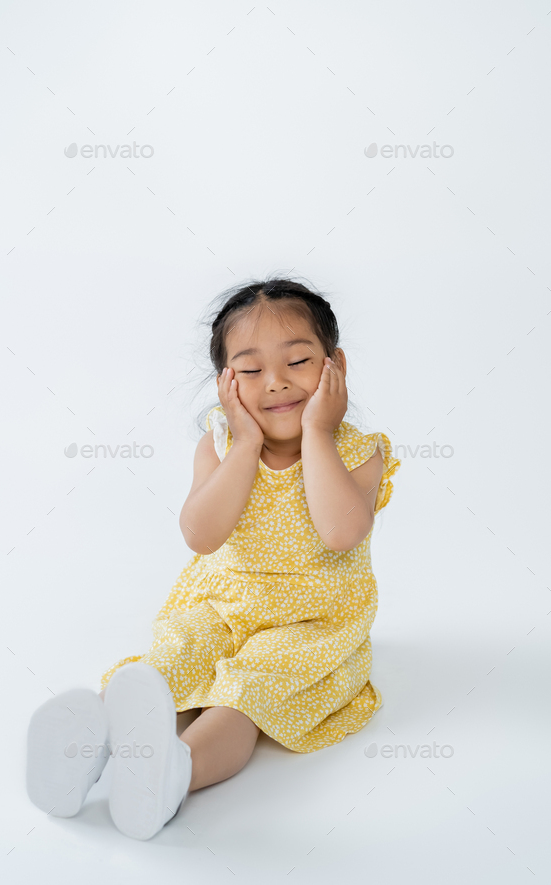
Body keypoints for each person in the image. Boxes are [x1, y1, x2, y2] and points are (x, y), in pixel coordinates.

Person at [26, 277, 401, 841]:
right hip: (222, 606)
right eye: (250, 370)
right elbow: (200, 535)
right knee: (167, 667)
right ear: (226, 382)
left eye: (298, 360)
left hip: (310, 623)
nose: (275, 382)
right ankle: (92, 748)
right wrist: (247, 446)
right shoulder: (221, 445)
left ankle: (175, 773)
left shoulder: (355, 450)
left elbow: (342, 531)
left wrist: (318, 432)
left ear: (334, 365)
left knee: (245, 690)